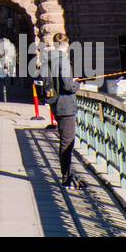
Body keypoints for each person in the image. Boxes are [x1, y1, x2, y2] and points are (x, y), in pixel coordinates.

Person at [44, 33, 80, 188]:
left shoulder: (48, 59)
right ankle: (66, 177)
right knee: (67, 142)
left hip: (56, 104)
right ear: (66, 44)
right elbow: (67, 85)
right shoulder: (63, 60)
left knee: (64, 140)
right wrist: (76, 84)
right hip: (66, 105)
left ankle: (67, 174)